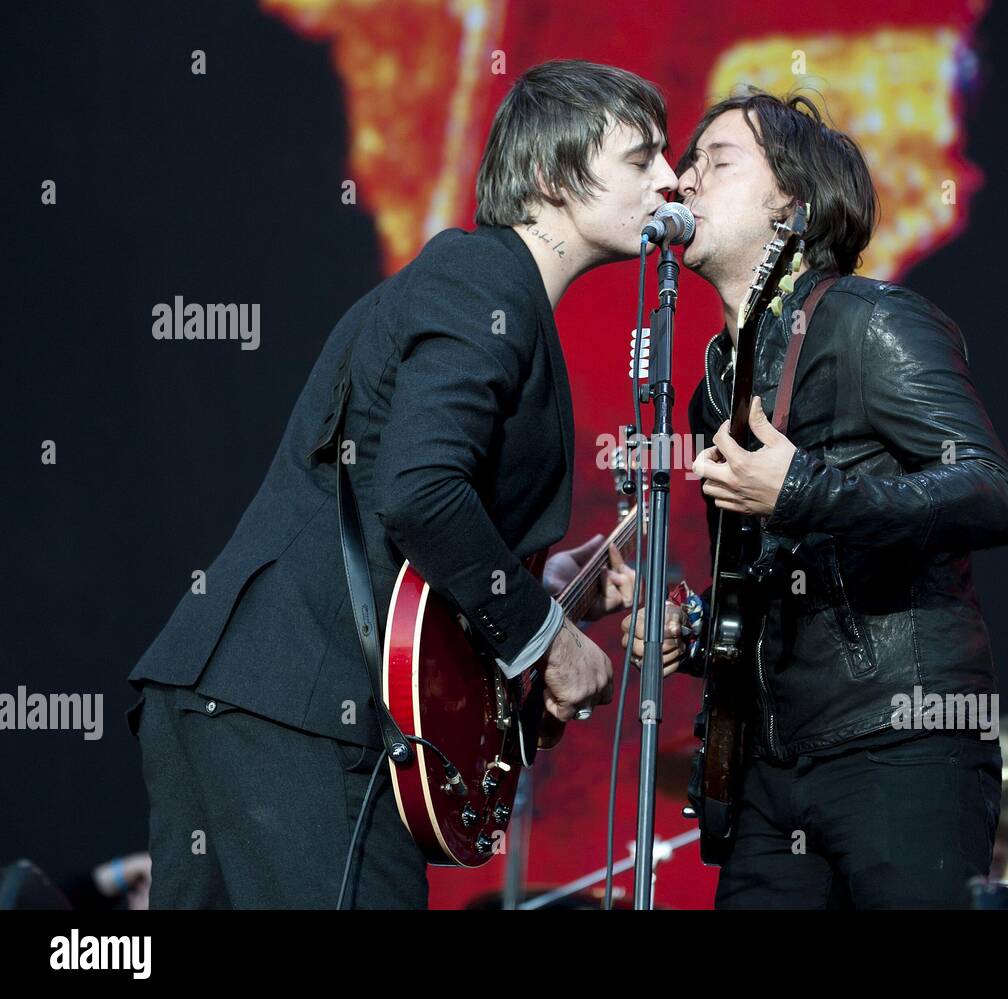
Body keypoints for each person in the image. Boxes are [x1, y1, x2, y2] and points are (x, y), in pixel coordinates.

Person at [127, 60, 677, 908]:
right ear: (549, 175)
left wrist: (548, 581)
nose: (669, 180)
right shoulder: (483, 278)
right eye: (642, 158)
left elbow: (414, 508)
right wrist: (546, 640)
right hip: (301, 708)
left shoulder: (484, 288)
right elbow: (421, 490)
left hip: (245, 696)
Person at [622, 88, 1008, 908]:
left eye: (718, 160)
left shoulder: (869, 322)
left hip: (902, 744)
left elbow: (995, 492)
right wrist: (695, 630)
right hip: (771, 771)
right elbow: (771, 582)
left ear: (792, 203)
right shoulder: (718, 383)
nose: (685, 180)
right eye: (689, 161)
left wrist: (803, 488)